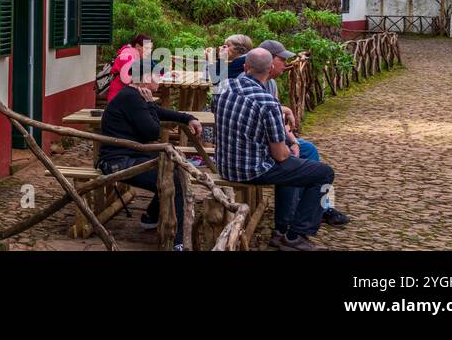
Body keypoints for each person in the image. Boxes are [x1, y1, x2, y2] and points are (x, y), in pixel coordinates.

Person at [212, 47, 335, 251]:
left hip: (224, 165)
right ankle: (296, 235)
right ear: (270, 70)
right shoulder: (268, 102)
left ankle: (283, 229)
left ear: (245, 67)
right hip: (251, 171)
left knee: (295, 167)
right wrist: (291, 149)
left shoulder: (224, 88)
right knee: (324, 173)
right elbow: (280, 155)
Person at [97, 57, 201, 250]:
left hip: (131, 156)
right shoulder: (131, 98)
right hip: (118, 163)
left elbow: (160, 113)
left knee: (174, 168)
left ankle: (151, 217)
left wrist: (188, 118)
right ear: (145, 78)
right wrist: (150, 104)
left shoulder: (134, 95)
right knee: (175, 179)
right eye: (157, 76)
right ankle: (178, 242)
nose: (160, 80)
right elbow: (152, 132)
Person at [256, 40, 351, 227]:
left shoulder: (271, 84)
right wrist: (289, 139)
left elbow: (277, 119)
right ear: (269, 61)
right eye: (282, 59)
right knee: (297, 164)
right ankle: (294, 220)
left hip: (278, 138)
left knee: (309, 150)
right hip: (266, 144)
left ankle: (324, 207)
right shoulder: (253, 85)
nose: (286, 64)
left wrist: (293, 140)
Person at [106, 33, 152, 102]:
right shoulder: (127, 56)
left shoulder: (135, 57)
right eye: (147, 48)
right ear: (137, 46)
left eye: (151, 48)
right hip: (118, 97)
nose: (149, 51)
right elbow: (130, 81)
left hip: (124, 96)